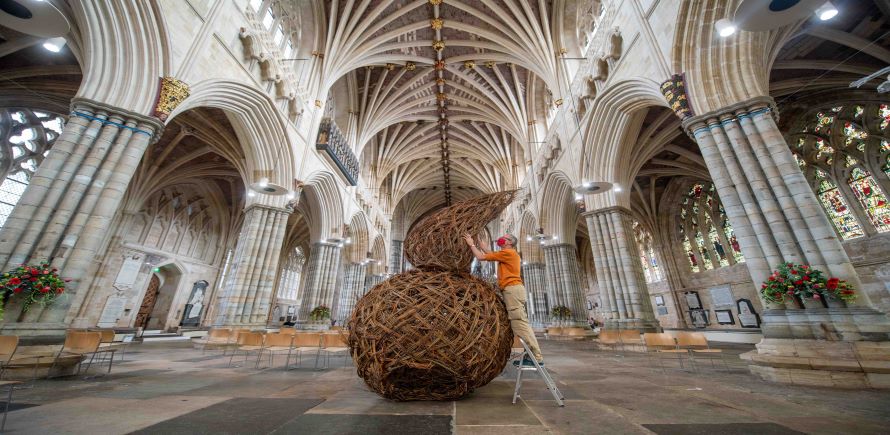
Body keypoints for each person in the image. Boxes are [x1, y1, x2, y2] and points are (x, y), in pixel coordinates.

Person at [463, 232, 544, 368]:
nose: (501, 239)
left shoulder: (509, 253)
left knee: (520, 323)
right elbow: (490, 255)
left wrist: (471, 243)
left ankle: (537, 357)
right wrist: (483, 246)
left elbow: (481, 257)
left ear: (509, 242)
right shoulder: (507, 254)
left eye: (504, 238)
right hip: (512, 290)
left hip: (512, 290)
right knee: (519, 322)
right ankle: (531, 355)